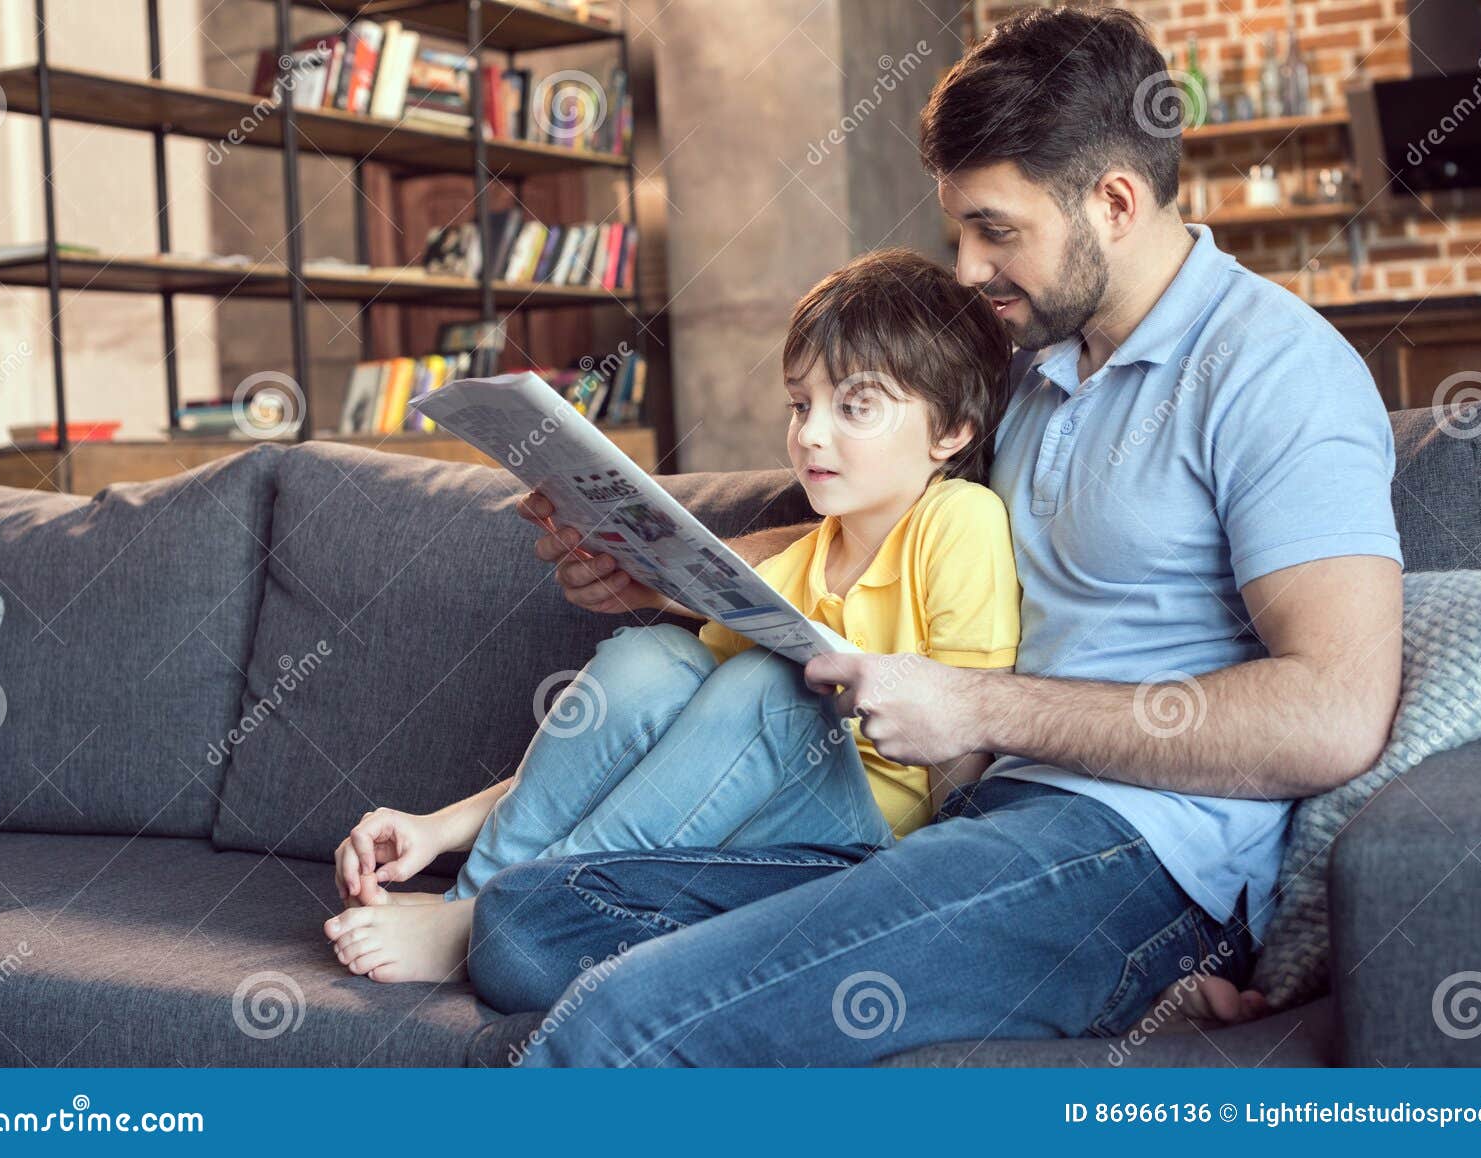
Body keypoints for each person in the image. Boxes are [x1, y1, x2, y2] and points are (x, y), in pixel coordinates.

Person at [459, 5, 1403, 1065]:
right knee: (527, 926)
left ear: (1116, 202)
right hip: (969, 822)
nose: (964, 268)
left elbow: (1334, 713)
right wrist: (657, 576)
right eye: (960, 228)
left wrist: (975, 704)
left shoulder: (1277, 372)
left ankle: (1098, 981)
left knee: (617, 1025)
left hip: (1130, 854)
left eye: (996, 229)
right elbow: (871, 536)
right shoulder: (1031, 368)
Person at [321, 249, 1020, 984]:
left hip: (858, 854)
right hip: (746, 831)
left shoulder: (959, 520)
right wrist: (439, 828)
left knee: (768, 684)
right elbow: (657, 750)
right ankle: (475, 894)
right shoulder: (794, 564)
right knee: (654, 657)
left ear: (953, 432)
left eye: (856, 405)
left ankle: (491, 916)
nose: (812, 433)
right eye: (800, 403)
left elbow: (966, 773)